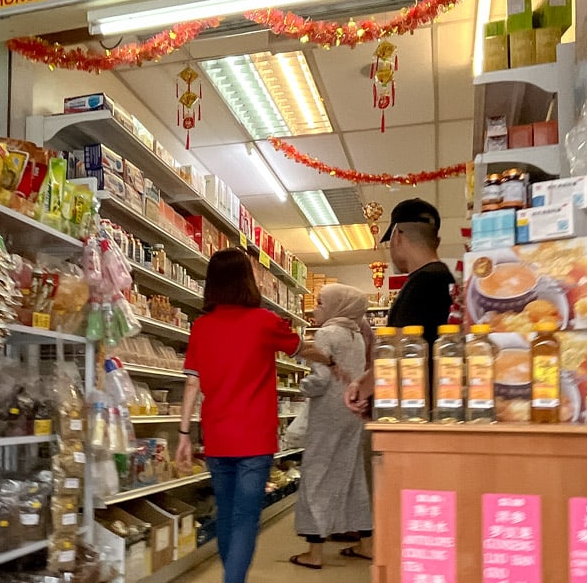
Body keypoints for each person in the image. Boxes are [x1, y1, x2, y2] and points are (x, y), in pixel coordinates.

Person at [177, 248, 332, 583]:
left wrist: (183, 434)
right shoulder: (264, 321)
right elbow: (301, 347)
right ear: (246, 280)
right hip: (255, 437)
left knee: (227, 514)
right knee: (247, 516)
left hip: (217, 437)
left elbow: (192, 383)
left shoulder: (201, 327)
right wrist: (331, 362)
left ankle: (231, 576)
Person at [289, 283, 374, 569]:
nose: (316, 309)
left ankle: (314, 552)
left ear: (339, 306)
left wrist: (303, 386)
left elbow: (321, 379)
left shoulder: (326, 334)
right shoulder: (358, 335)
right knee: (352, 475)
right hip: (352, 413)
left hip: (327, 413)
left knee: (316, 474)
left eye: (321, 304)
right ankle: (365, 543)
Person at [346, 198, 454, 414]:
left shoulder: (422, 283)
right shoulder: (442, 277)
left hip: (414, 412)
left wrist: (359, 392)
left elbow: (394, 351)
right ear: (437, 240)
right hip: (435, 408)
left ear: (397, 236)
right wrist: (364, 379)